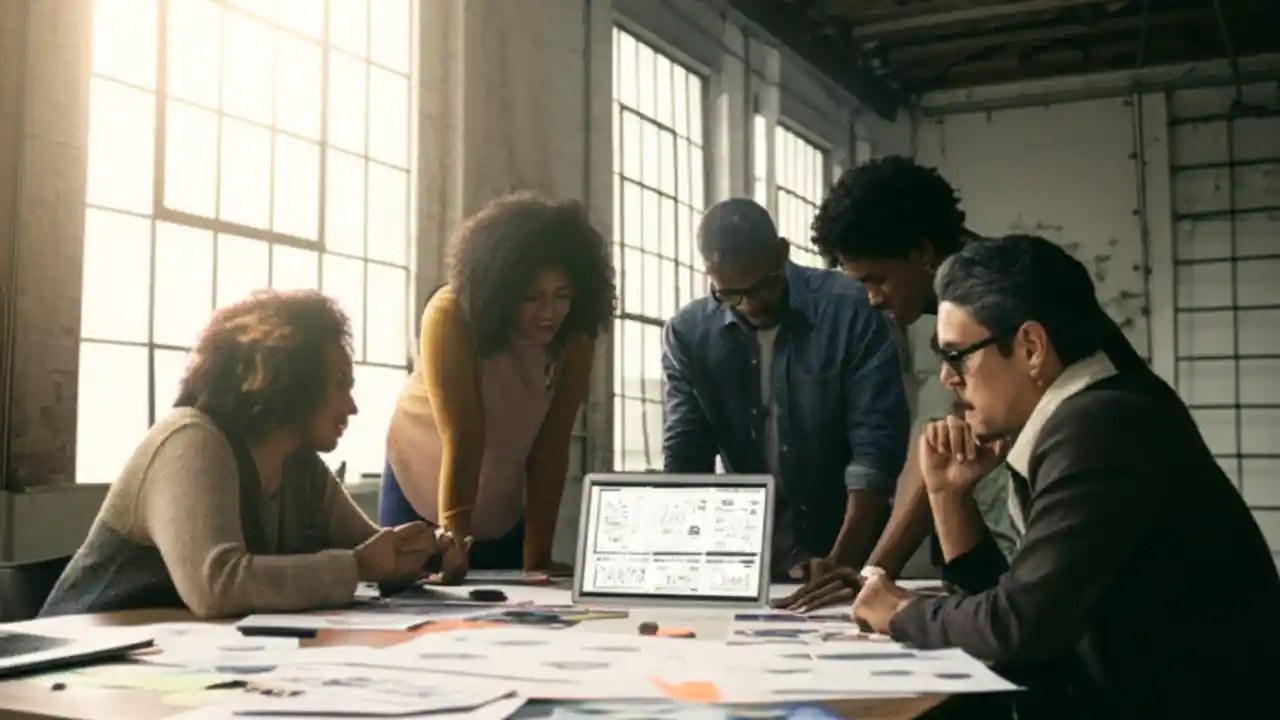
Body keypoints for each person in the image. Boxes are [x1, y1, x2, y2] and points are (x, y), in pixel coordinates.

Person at [850, 235, 1280, 717]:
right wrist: (949, 497)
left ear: (1031, 347)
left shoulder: (1101, 426)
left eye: (956, 356)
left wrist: (901, 612)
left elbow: (1019, 627)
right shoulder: (1096, 410)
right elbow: (1022, 604)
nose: (948, 378)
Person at [41, 291, 440, 619]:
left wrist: (428, 555)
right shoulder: (192, 439)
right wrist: (359, 566)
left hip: (179, 666)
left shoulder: (302, 468)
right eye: (339, 384)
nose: (351, 407)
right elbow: (217, 585)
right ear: (290, 374)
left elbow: (376, 551)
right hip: (73, 669)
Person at [776, 156, 1020, 609]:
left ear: (922, 253)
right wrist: (872, 573)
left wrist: (873, 572)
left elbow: (942, 443)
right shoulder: (966, 286)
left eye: (876, 279)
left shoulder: (995, 294)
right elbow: (934, 445)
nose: (871, 299)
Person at [662, 198, 909, 581]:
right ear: (710, 273)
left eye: (763, 285)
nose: (751, 305)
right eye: (732, 294)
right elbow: (686, 456)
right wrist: (684, 565)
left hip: (853, 542)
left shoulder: (848, 308)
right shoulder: (688, 335)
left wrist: (842, 563)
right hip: (748, 552)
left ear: (782, 252)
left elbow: (875, 452)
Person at [380, 192, 613, 583]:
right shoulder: (450, 314)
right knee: (418, 601)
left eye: (562, 296)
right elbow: (463, 436)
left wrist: (538, 558)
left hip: (502, 496)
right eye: (531, 298)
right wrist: (454, 545)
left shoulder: (576, 334)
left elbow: (552, 446)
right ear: (502, 291)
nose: (549, 313)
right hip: (422, 474)